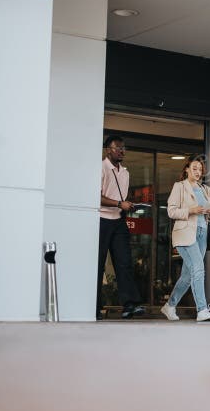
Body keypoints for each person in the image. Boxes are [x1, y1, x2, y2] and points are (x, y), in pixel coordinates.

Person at [161, 154, 210, 322]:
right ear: (186, 169)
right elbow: (171, 211)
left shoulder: (206, 190)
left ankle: (170, 306)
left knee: (187, 276)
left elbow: (208, 213)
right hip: (185, 234)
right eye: (194, 168)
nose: (198, 172)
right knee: (198, 268)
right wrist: (191, 210)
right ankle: (201, 310)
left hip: (201, 233)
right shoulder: (179, 187)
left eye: (200, 169)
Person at [97, 135, 145, 320]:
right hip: (101, 220)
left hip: (118, 221)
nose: (122, 151)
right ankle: (94, 307)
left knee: (124, 263)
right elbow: (96, 196)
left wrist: (125, 205)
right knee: (99, 265)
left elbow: (121, 199)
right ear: (108, 150)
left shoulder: (125, 172)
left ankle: (130, 305)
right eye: (118, 148)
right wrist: (119, 203)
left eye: (124, 148)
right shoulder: (101, 168)